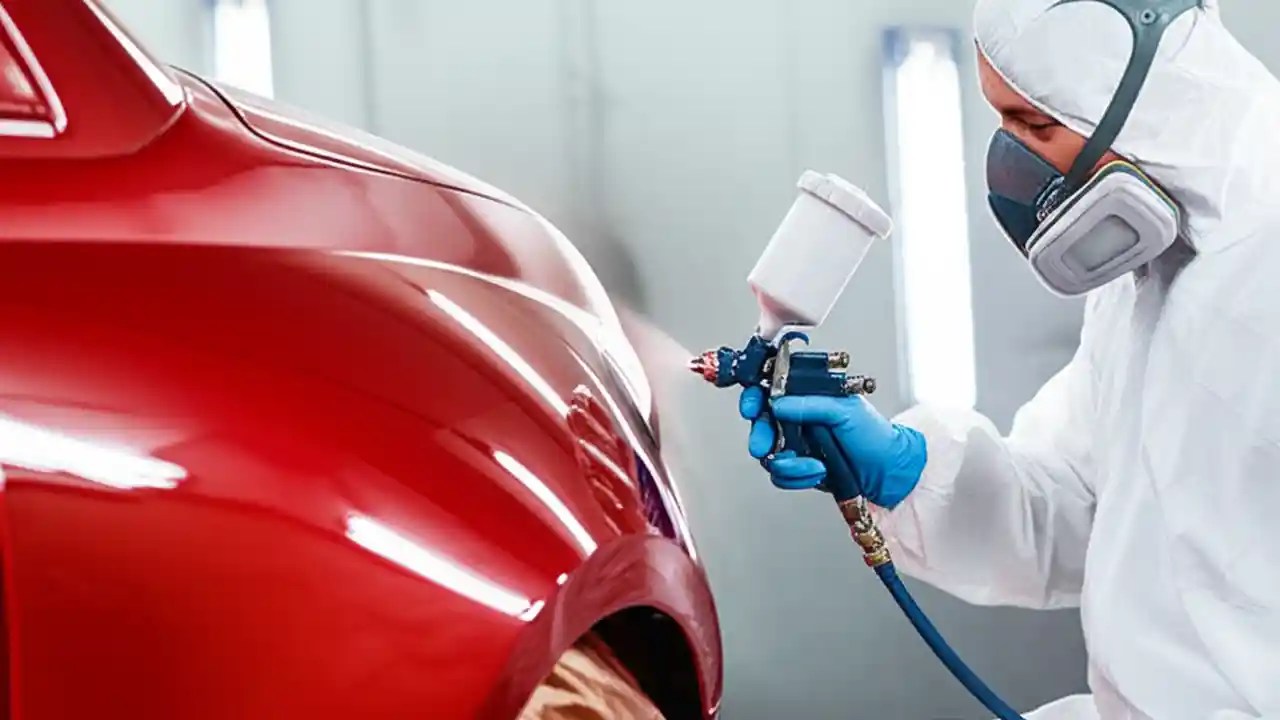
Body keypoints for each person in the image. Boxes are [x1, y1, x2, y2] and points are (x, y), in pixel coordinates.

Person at [738, 0, 1280, 717]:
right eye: (1001, 120)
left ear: (1150, 107)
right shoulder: (1152, 273)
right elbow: (1079, 504)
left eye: (1035, 125)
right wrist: (904, 469)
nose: (1012, 162)